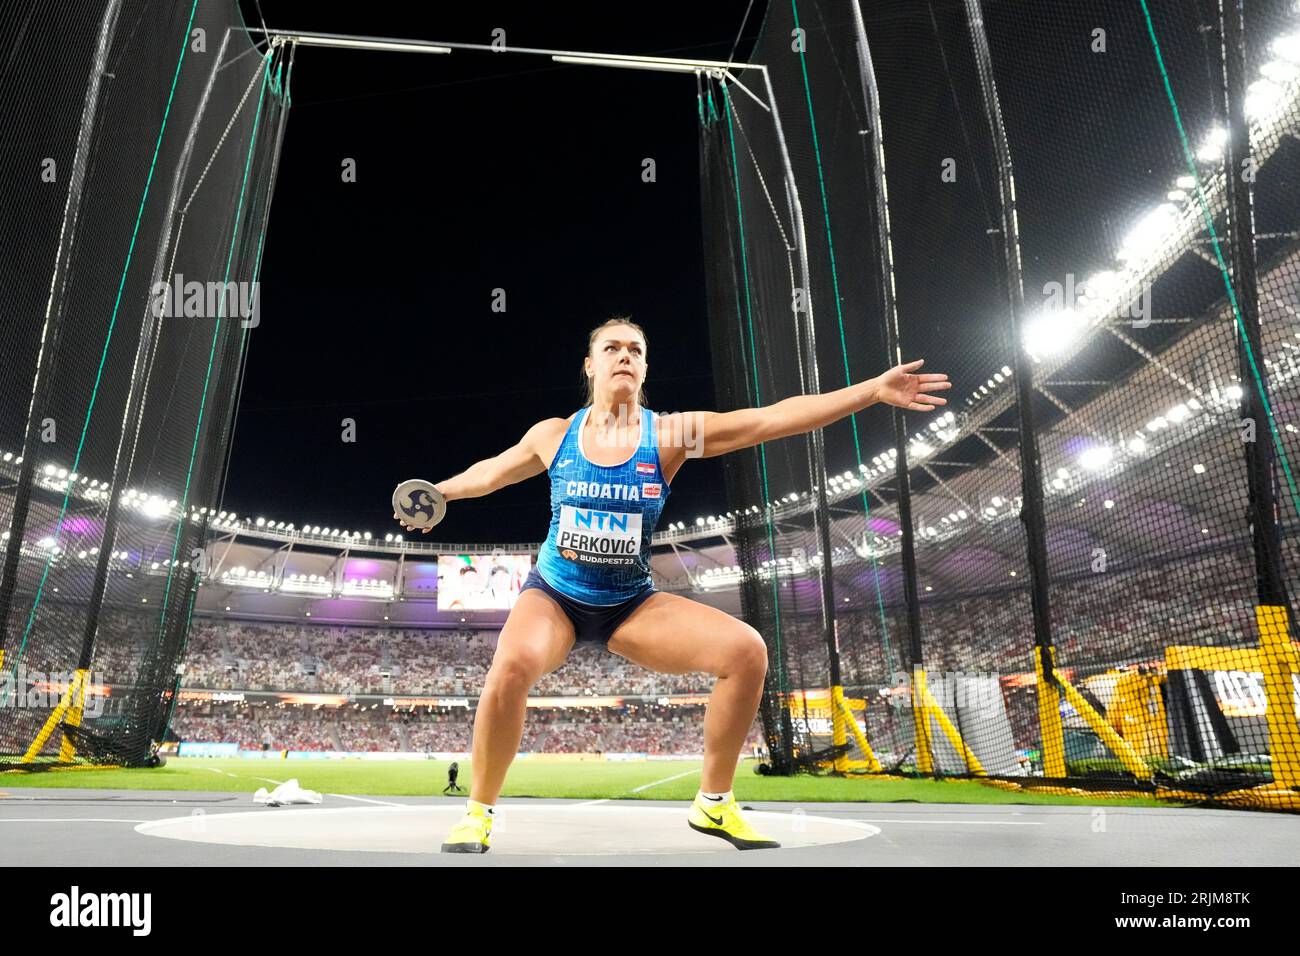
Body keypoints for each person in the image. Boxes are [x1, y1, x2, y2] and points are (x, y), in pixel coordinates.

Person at [394, 316, 949, 853]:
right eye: (613, 348)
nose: (625, 357)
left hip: (629, 603)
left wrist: (872, 391)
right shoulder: (555, 435)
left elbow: (774, 418)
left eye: (635, 350)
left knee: (746, 651)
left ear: (645, 367)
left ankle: (713, 800)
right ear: (589, 365)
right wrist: (439, 494)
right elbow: (492, 471)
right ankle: (478, 812)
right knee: (511, 666)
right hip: (555, 595)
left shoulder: (670, 433)